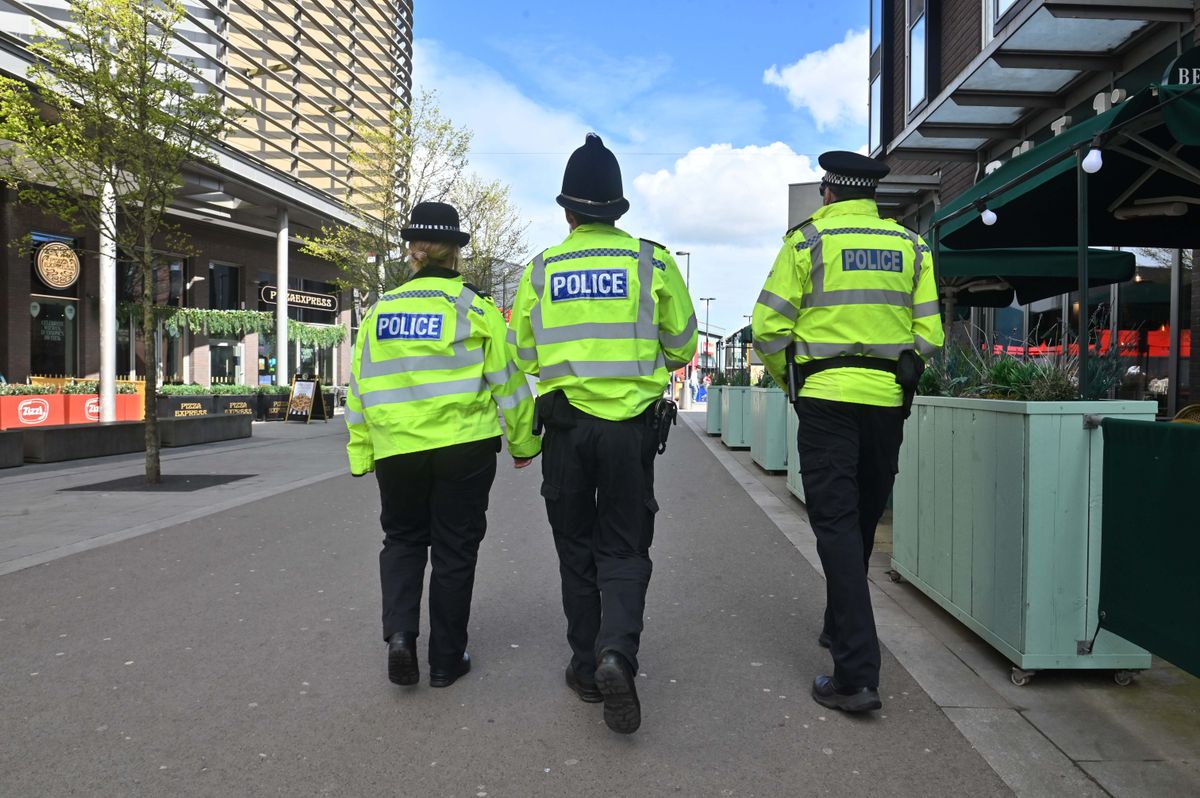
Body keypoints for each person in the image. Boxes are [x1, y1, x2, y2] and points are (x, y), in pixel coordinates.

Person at [509, 133, 697, 734]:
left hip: (565, 431)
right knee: (623, 546)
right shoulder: (653, 262)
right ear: (619, 208)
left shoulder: (541, 269)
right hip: (629, 435)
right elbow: (685, 345)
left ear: (567, 210)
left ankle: (587, 668)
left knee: (575, 548)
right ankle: (617, 651)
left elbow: (525, 354)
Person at [751, 151, 944, 714]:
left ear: (828, 192)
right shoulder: (911, 247)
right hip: (886, 402)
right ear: (873, 195)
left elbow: (768, 325)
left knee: (834, 524)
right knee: (859, 521)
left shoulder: (806, 243)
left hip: (826, 398)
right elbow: (929, 333)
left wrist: (785, 371)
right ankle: (839, 628)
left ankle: (857, 675)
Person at [345, 201, 540, 690]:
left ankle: (401, 637)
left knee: (404, 541)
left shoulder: (380, 312)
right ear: (454, 253)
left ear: (414, 252)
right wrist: (524, 443)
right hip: (464, 448)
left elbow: (359, 389)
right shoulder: (475, 309)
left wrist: (361, 452)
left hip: (397, 450)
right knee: (455, 551)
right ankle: (446, 660)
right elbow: (510, 385)